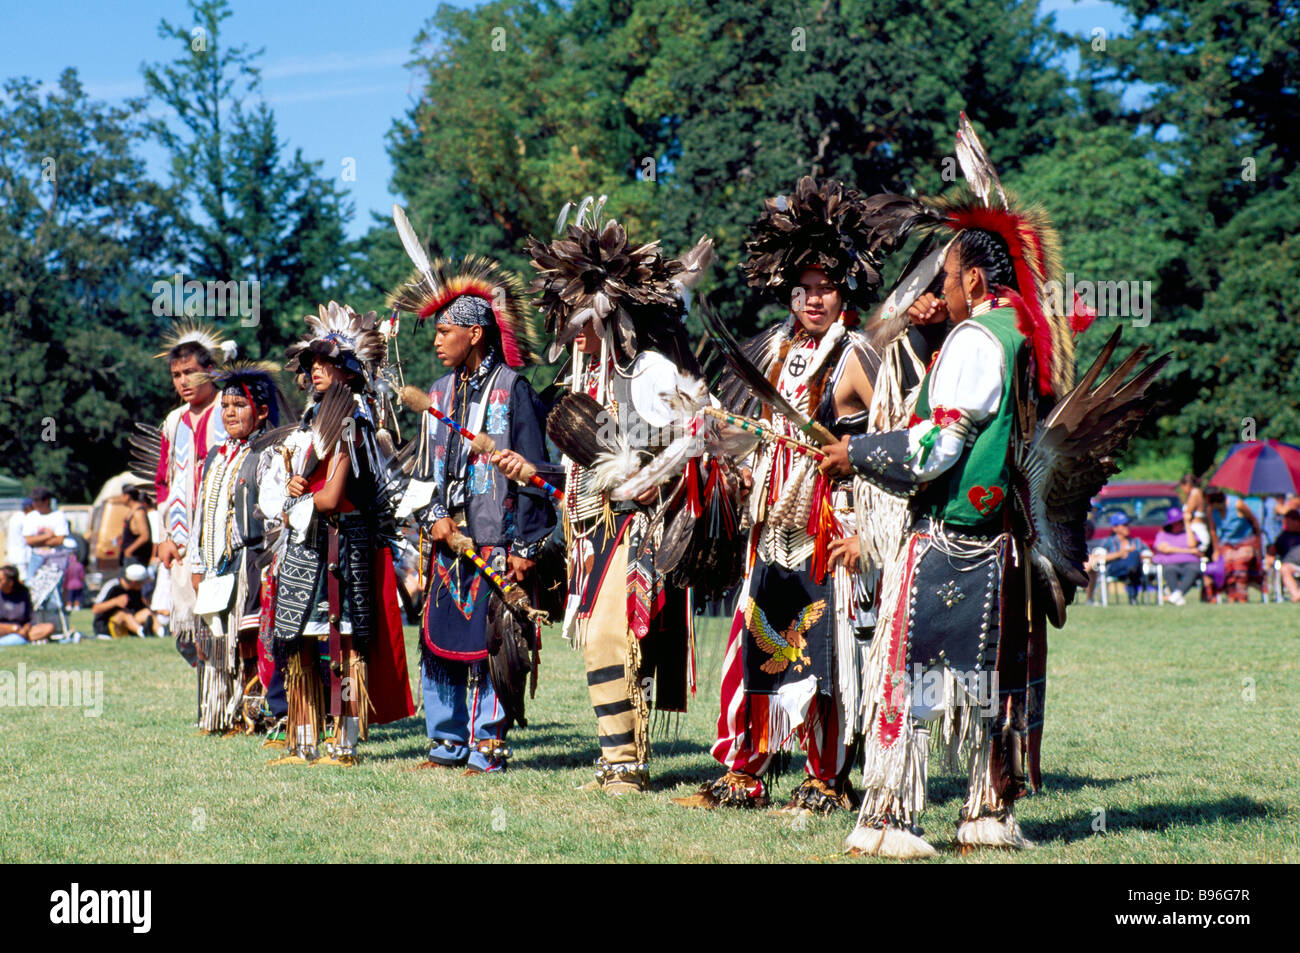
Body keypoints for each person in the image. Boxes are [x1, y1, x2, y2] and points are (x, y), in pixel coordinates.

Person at [673, 176, 905, 815]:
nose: (812, 298)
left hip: (828, 529)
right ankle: (743, 774)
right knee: (755, 646)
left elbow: (889, 445)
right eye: (803, 288)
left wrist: (867, 522)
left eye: (825, 287)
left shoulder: (856, 357)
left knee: (824, 657)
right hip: (770, 525)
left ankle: (825, 781)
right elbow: (751, 428)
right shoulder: (774, 347)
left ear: (845, 290)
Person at [513, 200, 714, 793]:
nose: (574, 332)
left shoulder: (647, 371)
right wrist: (540, 472)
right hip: (586, 531)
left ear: (610, 315)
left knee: (613, 636)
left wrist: (641, 470)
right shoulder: (580, 381)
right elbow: (582, 469)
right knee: (594, 641)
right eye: (569, 321)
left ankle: (628, 763)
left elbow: (696, 431)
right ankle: (617, 761)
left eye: (584, 318)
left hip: (639, 525)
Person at [390, 254, 556, 775]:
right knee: (439, 644)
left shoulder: (514, 390)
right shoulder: (436, 395)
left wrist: (527, 548)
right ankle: (444, 745)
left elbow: (537, 474)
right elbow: (424, 471)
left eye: (445, 332)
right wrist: (435, 516)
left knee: (493, 643)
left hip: (498, 539)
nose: (437, 342)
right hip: (448, 539)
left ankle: (487, 746)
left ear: (476, 333)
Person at [261, 301, 415, 766]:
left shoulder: (353, 423)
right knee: (298, 640)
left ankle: (344, 743)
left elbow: (332, 499)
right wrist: (294, 488)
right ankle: (303, 739)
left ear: (348, 370)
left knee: (346, 644)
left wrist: (293, 505)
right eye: (313, 364)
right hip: (305, 544)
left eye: (328, 363)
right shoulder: (310, 422)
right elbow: (314, 489)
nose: (318, 371)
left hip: (343, 544)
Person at [187, 362, 292, 735]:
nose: (230, 412)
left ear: (262, 412)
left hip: (253, 560)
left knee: (249, 640)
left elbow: (277, 512)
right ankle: (222, 713)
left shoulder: (271, 452)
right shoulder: (216, 454)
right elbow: (201, 511)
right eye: (226, 406)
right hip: (217, 561)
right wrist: (197, 563)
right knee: (216, 640)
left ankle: (257, 713)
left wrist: (270, 562)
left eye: (240, 406)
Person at [1205, 490, 1262, 602]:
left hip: (1245, 540)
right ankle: (1231, 594)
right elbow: (1212, 530)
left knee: (1239, 561)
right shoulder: (1211, 509)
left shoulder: (1238, 504)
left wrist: (1258, 545)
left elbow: (1254, 522)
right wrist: (1216, 550)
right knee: (1226, 562)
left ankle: (1241, 595)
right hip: (1227, 543)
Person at [91, 564, 155, 638]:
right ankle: (143, 632)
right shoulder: (113, 586)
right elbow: (95, 609)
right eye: (142, 582)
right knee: (123, 613)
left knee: (147, 612)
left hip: (129, 626)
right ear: (134, 582)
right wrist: (115, 602)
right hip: (107, 627)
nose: (144, 584)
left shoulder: (137, 590)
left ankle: (162, 632)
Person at [22, 487, 73, 580]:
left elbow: (59, 541)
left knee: (53, 589)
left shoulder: (59, 516)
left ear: (46, 501)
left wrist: (37, 540)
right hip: (36, 557)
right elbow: (29, 540)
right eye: (34, 500)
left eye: (37, 500)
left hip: (55, 558)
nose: (34, 503)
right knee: (30, 583)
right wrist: (49, 536)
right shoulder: (30, 517)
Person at [1152, 507, 1201, 605]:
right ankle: (1177, 598)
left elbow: (1192, 544)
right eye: (1176, 522)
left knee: (1193, 570)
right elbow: (1165, 549)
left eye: (1180, 522)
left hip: (1190, 562)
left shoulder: (1188, 533)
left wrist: (1187, 524)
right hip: (1171, 562)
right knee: (1170, 570)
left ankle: (1176, 595)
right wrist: (1188, 551)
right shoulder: (1163, 535)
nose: (1178, 524)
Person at [0, 565, 56, 646]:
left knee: (49, 627)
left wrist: (26, 629)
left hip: (21, 630)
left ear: (11, 583)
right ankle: (18, 639)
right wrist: (13, 628)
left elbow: (30, 618)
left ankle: (17, 639)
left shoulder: (23, 594)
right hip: (4, 628)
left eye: (0, 580)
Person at [1102, 512, 1147, 604]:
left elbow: (1149, 554)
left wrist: (1140, 557)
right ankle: (1133, 598)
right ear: (1115, 528)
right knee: (1133, 563)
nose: (1127, 527)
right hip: (1115, 567)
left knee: (1134, 555)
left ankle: (1131, 570)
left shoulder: (1136, 541)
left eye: (1127, 525)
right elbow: (1098, 557)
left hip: (1133, 568)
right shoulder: (1108, 541)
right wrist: (1121, 553)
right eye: (1124, 525)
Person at [1266, 500, 1300, 603]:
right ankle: (1296, 595)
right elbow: (1274, 551)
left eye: (1289, 522)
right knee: (1284, 569)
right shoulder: (1283, 536)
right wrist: (1270, 553)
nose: (1286, 524)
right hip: (1291, 565)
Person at [119, 485, 153, 568]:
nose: (120, 498)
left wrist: (129, 550)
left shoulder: (138, 512)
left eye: (122, 495)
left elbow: (145, 536)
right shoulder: (132, 511)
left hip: (136, 558)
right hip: (131, 558)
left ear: (127, 496)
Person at [5, 499, 33, 580]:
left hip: (14, 554)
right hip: (22, 556)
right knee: (23, 579)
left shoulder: (15, 516)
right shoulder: (25, 518)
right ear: (28, 508)